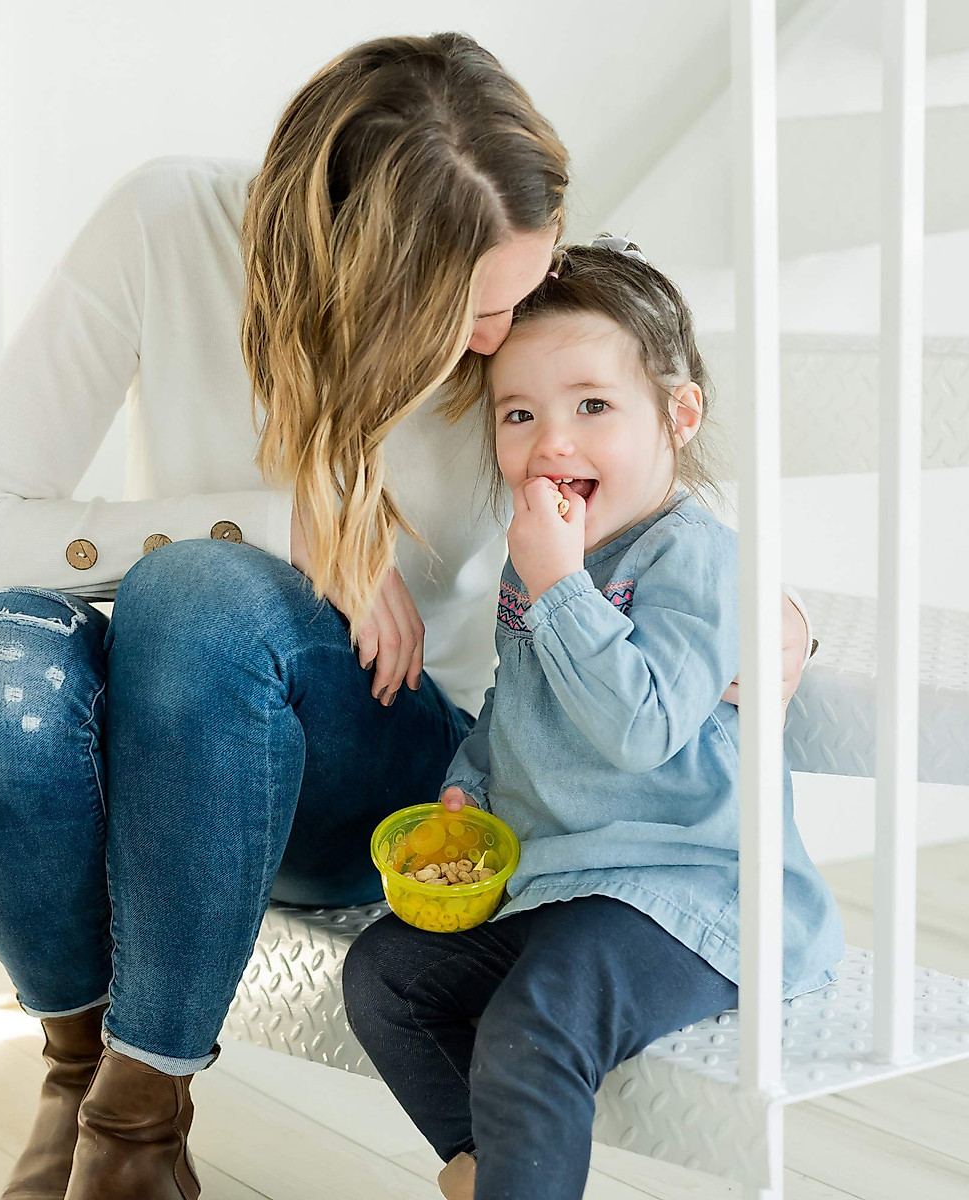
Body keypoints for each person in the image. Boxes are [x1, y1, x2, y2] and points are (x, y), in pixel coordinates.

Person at [0, 33, 812, 1200]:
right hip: (174, 746)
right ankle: (85, 1078)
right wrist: (287, 522)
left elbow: (640, 474)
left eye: (525, 293)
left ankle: (131, 1129)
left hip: (389, 768)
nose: (508, 335)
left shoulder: (516, 299)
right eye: (480, 313)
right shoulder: (164, 226)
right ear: (380, 278)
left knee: (194, 594)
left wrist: (766, 606)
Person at [341, 238, 843, 1200]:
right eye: (519, 413)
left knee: (534, 1023)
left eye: (593, 408)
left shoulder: (698, 560)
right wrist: (471, 780)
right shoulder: (541, 557)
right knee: (387, 976)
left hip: (688, 890)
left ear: (679, 415)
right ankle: (484, 1168)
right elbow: (517, 702)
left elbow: (643, 728)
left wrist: (559, 584)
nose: (552, 441)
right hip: (560, 879)